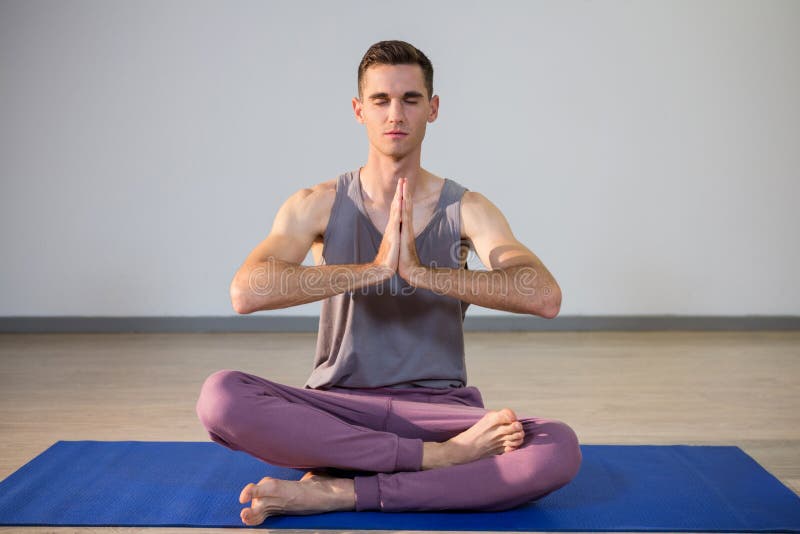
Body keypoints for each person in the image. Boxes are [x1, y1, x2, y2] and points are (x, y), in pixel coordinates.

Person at [195, 40, 581, 527]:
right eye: (380, 100)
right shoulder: (316, 203)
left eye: (410, 99)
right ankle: (430, 465)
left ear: (433, 108)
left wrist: (423, 273)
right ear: (359, 110)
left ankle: (341, 491)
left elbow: (544, 296)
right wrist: (372, 268)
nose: (395, 113)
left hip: (439, 413)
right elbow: (246, 291)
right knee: (220, 396)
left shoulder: (468, 209)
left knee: (558, 448)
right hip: (339, 407)